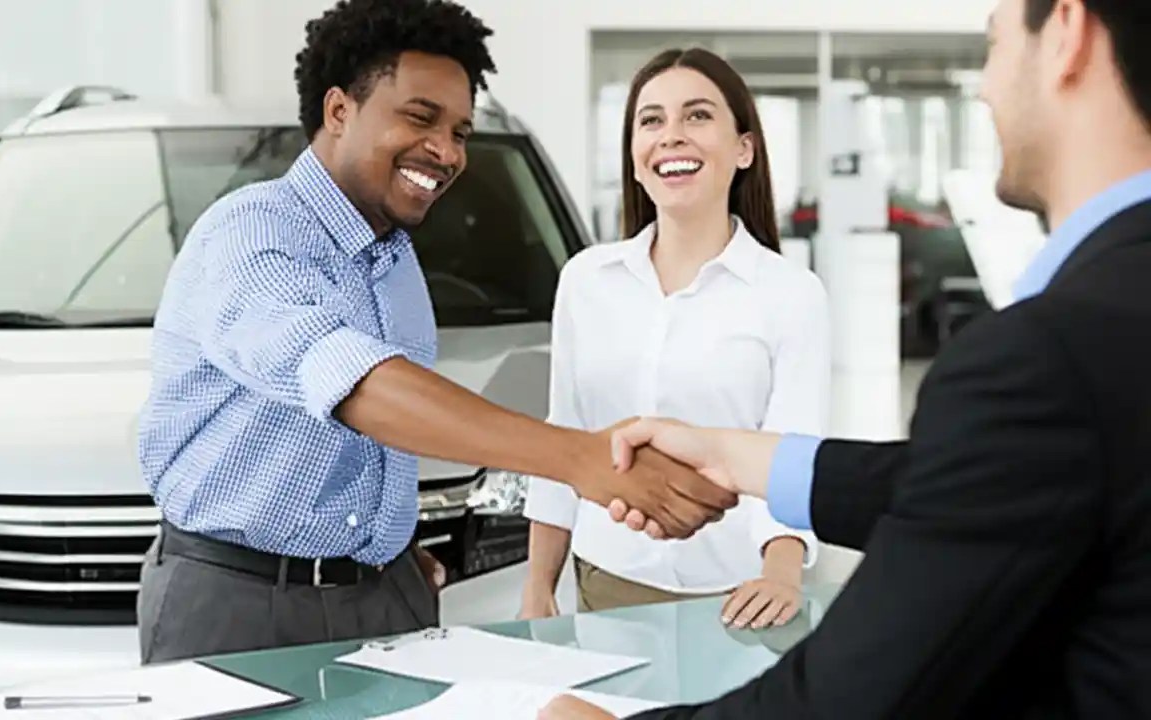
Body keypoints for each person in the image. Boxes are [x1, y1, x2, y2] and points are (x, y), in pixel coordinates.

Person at [540, 0, 1151, 717]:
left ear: (1067, 33)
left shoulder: (1043, 356)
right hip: (607, 577)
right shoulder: (1097, 329)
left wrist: (779, 556)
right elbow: (986, 483)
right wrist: (736, 456)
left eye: (993, 44)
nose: (984, 87)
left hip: (725, 597)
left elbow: (852, 692)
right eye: (651, 119)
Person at [134, 0, 735, 665]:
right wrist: (582, 460)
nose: (447, 152)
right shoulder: (252, 232)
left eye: (460, 131)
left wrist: (382, 549)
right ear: (339, 110)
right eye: (421, 118)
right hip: (242, 607)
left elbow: (374, 445)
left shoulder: (395, 261)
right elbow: (354, 382)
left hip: (387, 593)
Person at [518, 48, 824, 627]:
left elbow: (794, 450)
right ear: (635, 158)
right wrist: (538, 584)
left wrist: (782, 572)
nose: (671, 135)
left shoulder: (791, 293)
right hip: (606, 581)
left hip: (741, 594)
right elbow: (564, 437)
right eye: (651, 120)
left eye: (698, 115)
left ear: (744, 149)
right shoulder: (586, 280)